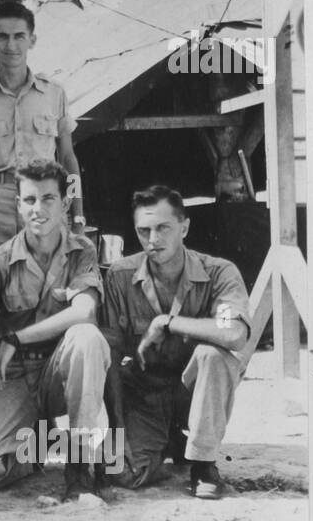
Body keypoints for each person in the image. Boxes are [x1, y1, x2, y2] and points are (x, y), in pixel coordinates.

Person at [0, 159, 110, 501]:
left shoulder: (82, 252)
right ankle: (34, 449)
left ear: (65, 204)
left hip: (60, 372)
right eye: (29, 200)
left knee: (87, 337)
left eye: (48, 199)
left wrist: (15, 337)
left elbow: (83, 311)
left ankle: (79, 465)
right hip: (14, 377)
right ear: (18, 206)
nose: (38, 210)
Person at [102, 186, 251, 499]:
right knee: (120, 473)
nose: (153, 240)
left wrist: (168, 323)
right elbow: (111, 356)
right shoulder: (119, 277)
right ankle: (169, 440)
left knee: (213, 355)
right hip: (145, 392)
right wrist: (117, 430)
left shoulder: (219, 273)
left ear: (184, 227)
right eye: (144, 230)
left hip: (193, 389)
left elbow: (233, 332)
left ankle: (204, 463)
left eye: (163, 228)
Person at [0, 1, 83, 276]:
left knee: (48, 287)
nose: (11, 45)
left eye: (19, 36)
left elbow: (68, 158)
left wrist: (78, 216)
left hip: (43, 199)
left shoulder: (54, 94)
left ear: (32, 40)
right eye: (2, 36)